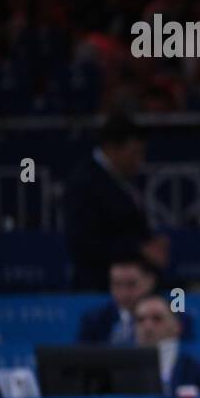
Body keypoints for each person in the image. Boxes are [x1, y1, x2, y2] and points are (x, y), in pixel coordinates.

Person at [63, 113, 169, 291]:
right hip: (98, 287)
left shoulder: (123, 177)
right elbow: (82, 243)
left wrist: (150, 244)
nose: (140, 161)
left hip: (134, 285)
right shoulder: (84, 182)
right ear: (112, 148)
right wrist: (139, 249)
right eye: (134, 153)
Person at [133, 295, 200, 395]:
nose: (147, 326)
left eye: (157, 319)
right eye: (140, 320)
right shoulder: (123, 368)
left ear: (177, 326)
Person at [77, 257, 159, 346]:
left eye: (131, 284)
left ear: (149, 281)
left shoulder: (163, 315)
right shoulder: (94, 320)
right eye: (117, 285)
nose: (124, 293)